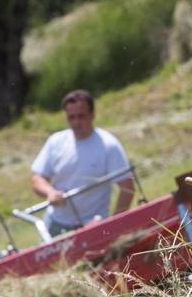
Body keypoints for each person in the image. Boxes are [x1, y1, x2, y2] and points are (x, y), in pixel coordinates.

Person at [30, 89, 134, 237]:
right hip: (55, 225)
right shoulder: (56, 142)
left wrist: (113, 226)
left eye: (81, 116)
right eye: (71, 117)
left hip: (94, 225)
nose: (76, 122)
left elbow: (127, 188)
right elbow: (37, 179)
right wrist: (50, 192)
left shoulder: (108, 145)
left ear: (92, 114)